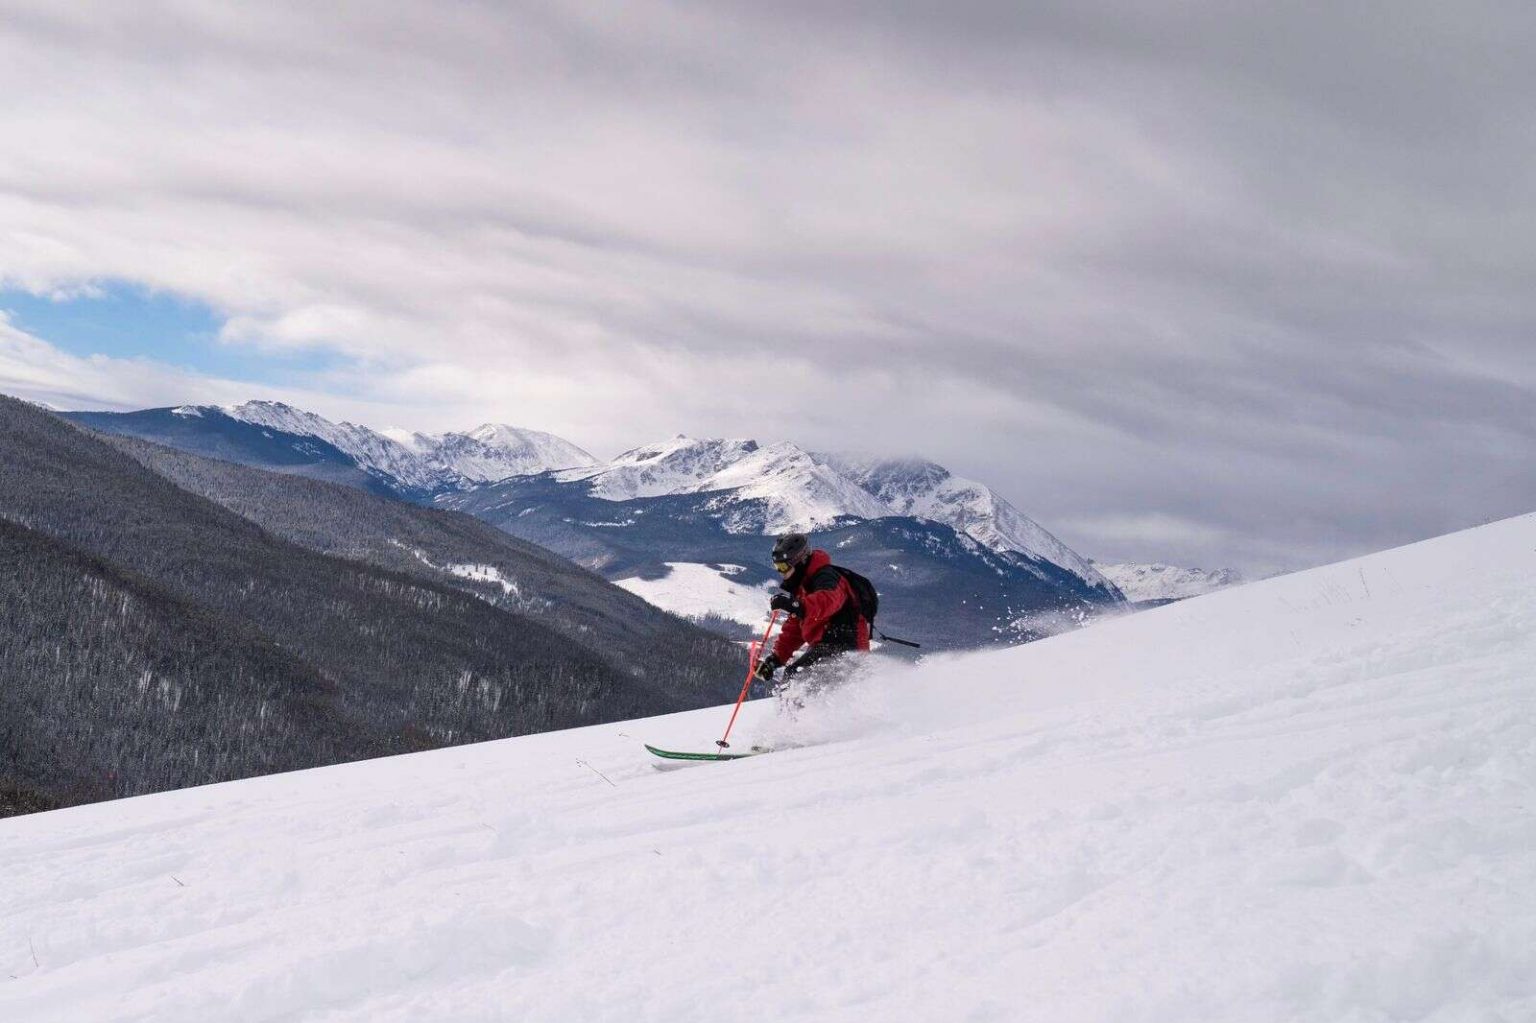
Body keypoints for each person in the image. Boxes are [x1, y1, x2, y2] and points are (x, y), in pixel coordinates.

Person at [753, 532, 871, 702]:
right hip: (827, 646)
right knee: (796, 679)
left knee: (796, 678)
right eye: (777, 567)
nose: (781, 573)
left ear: (799, 561)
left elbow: (828, 600)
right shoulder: (803, 586)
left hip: (846, 646)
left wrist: (797, 605)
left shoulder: (826, 576)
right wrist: (776, 660)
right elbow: (795, 628)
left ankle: (802, 725)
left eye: (784, 568)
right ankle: (797, 723)